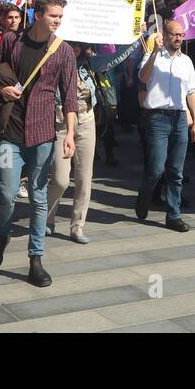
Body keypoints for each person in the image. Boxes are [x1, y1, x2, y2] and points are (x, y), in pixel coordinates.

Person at [0, 0, 79, 286]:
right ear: (37, 14)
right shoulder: (12, 41)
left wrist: (70, 134)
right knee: (7, 192)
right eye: (53, 16)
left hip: (42, 133)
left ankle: (35, 259)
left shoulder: (63, 51)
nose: (57, 22)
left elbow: (71, 96)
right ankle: (1, 236)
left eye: (60, 17)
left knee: (39, 197)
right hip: (10, 131)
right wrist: (2, 90)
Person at [47, 39, 137, 243]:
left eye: (79, 43)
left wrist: (134, 40)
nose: (76, 47)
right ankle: (48, 218)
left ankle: (77, 226)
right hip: (61, 123)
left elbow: (115, 58)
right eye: (71, 43)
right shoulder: (53, 62)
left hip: (86, 120)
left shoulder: (89, 63)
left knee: (84, 177)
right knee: (60, 179)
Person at [136, 18, 195, 232]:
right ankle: (144, 197)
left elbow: (191, 92)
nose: (179, 37)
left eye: (181, 34)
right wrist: (154, 52)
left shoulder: (187, 61)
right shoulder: (152, 56)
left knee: (176, 171)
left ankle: (173, 214)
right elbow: (143, 78)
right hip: (157, 119)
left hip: (180, 118)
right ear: (165, 34)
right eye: (174, 34)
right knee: (155, 169)